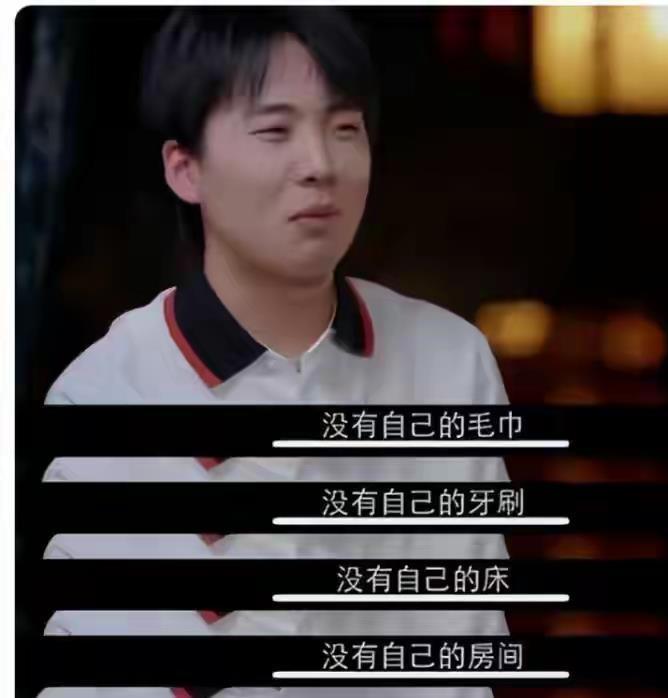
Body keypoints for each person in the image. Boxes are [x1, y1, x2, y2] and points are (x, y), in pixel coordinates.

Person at [40, 8, 510, 698]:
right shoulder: (106, 392)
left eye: (345, 128)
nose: (320, 165)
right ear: (185, 169)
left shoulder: (451, 363)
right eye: (274, 130)